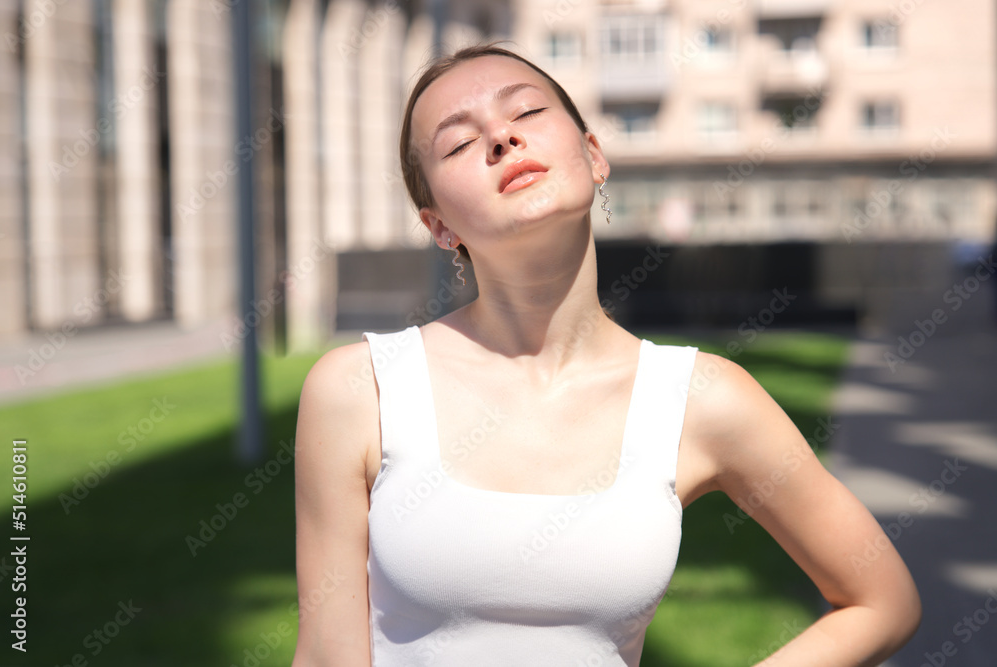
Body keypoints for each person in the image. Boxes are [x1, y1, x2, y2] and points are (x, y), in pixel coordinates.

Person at [291, 44, 921, 666]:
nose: (502, 139)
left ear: (593, 156)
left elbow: (882, 601)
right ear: (439, 227)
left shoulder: (701, 398)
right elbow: (325, 656)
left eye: (527, 113)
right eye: (458, 143)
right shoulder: (359, 389)